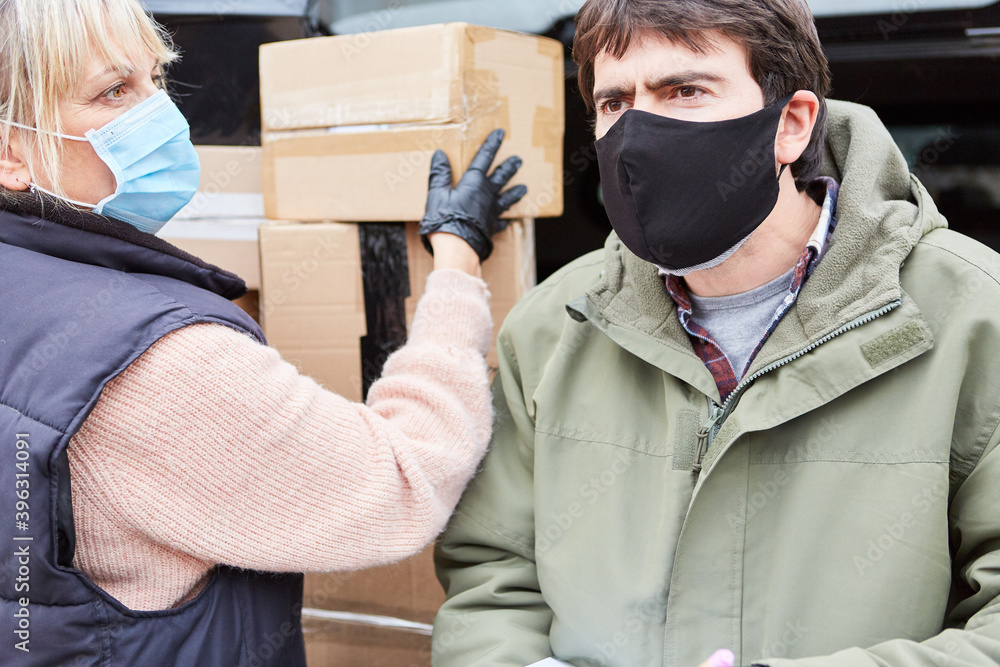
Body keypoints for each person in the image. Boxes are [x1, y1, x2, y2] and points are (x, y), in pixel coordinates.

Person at [432, 0, 1000, 666]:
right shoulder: (551, 326)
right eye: (615, 103)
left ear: (790, 125)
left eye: (685, 91)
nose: (640, 131)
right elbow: (492, 576)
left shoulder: (972, 315)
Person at [0, 0, 527, 664]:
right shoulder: (154, 362)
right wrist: (455, 257)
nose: (159, 115)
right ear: (10, 153)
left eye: (153, 81)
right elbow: (402, 478)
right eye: (114, 91)